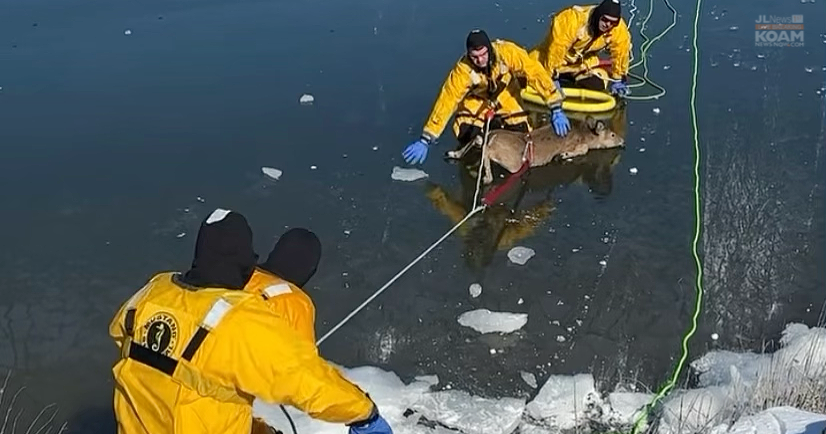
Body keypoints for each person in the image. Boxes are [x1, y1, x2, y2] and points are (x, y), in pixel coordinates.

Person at [108, 208, 392, 434]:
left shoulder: (154, 291)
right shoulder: (239, 319)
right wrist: (363, 412)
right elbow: (305, 380)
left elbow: (123, 336)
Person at [402, 29, 570, 166]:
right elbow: (447, 100)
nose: (480, 60)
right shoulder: (462, 71)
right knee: (466, 133)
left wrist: (555, 106)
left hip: (506, 96)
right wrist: (427, 138)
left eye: (483, 54)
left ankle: (506, 129)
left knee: (522, 138)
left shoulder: (508, 52)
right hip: (477, 102)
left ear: (489, 49)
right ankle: (484, 146)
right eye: (474, 57)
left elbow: (535, 74)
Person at [529, 0, 632, 96]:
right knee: (525, 78)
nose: (608, 25)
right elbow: (557, 49)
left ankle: (572, 81)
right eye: (605, 20)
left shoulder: (617, 28)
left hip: (581, 65)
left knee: (596, 86)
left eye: (613, 22)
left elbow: (621, 51)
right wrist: (551, 77)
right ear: (598, 15)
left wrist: (618, 78)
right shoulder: (572, 20)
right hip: (549, 61)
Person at [244, 227, 321, 344]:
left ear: (273, 253)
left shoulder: (239, 276)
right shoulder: (297, 303)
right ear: (310, 272)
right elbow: (302, 358)